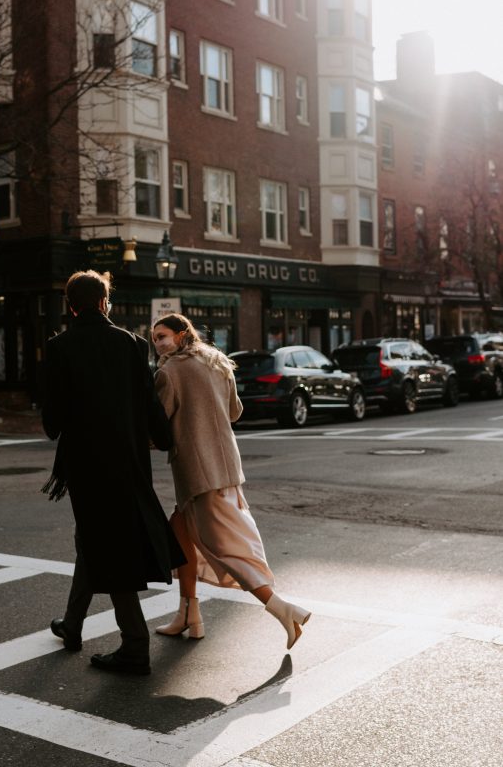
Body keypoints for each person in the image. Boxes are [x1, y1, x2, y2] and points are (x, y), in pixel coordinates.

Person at [42, 270, 185, 676]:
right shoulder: (131, 345)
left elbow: (52, 424)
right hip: (128, 462)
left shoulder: (60, 348)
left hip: (86, 467)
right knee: (99, 540)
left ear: (71, 306)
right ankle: (72, 624)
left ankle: (135, 645)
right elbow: (150, 409)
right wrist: (167, 440)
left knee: (106, 544)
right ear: (105, 302)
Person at [152, 313, 311, 650]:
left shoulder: (168, 373)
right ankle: (188, 613)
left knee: (225, 550)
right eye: (155, 339)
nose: (159, 344)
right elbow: (235, 411)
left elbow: (159, 428)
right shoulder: (218, 362)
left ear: (182, 335)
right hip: (225, 466)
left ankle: (283, 609)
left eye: (163, 336)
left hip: (198, 471)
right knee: (179, 532)